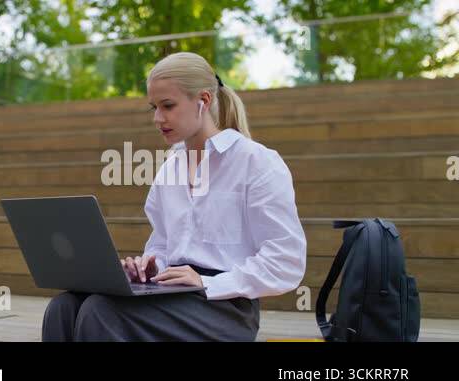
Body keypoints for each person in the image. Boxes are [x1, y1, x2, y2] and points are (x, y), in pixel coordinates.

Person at [42, 51, 307, 342]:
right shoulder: (170, 167)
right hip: (173, 291)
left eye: (167, 106)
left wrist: (207, 282)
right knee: (63, 307)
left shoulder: (257, 162)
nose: (157, 118)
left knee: (100, 310)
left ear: (203, 101)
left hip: (225, 308)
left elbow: (286, 261)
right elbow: (163, 243)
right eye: (153, 107)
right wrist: (148, 266)